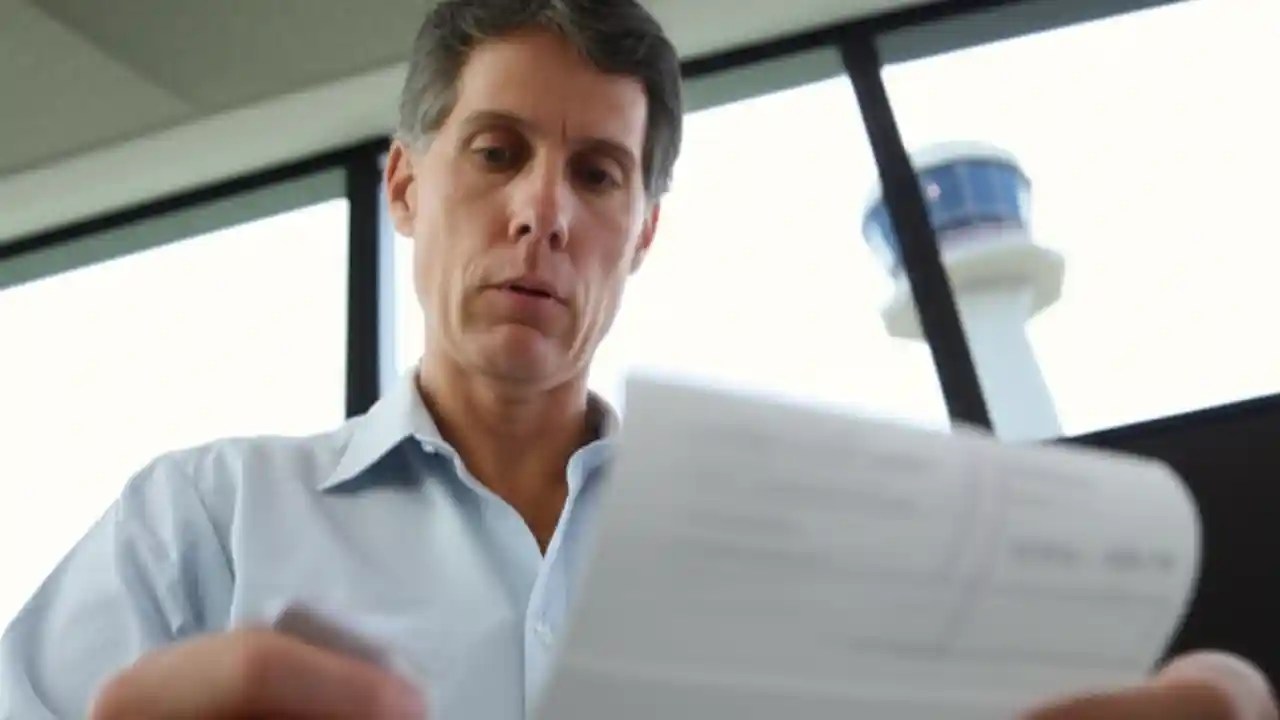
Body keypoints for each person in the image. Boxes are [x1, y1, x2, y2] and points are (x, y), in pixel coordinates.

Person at [0, 0, 1274, 718]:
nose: (543, 214)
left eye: (596, 173)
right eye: (495, 152)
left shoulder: (788, 556)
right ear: (402, 186)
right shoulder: (200, 524)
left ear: (641, 232)